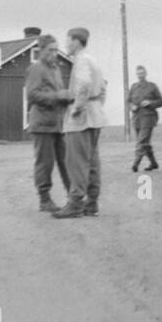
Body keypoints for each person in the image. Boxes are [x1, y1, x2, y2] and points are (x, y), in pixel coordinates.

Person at [53, 27, 106, 219]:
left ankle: (75, 204)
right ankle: (91, 203)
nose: (66, 44)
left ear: (75, 41)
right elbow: (102, 87)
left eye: (67, 41)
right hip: (95, 115)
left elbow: (83, 85)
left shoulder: (82, 61)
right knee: (92, 162)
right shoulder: (92, 60)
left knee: (76, 162)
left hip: (82, 119)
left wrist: (77, 107)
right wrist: (96, 105)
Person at [25, 34, 73, 211]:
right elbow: (31, 95)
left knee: (66, 161)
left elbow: (57, 93)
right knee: (44, 163)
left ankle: (73, 198)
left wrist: (67, 97)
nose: (54, 53)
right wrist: (57, 96)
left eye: (56, 50)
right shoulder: (36, 69)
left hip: (58, 124)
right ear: (41, 50)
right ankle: (44, 199)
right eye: (50, 50)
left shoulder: (55, 69)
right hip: (42, 125)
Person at [127, 65, 162, 172]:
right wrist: (131, 106)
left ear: (145, 74)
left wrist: (150, 103)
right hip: (137, 118)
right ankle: (153, 163)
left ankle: (135, 163)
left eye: (142, 73)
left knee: (141, 141)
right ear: (136, 75)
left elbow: (161, 101)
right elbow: (128, 101)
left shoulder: (152, 86)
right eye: (138, 73)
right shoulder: (134, 87)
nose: (140, 75)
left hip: (148, 118)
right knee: (145, 142)